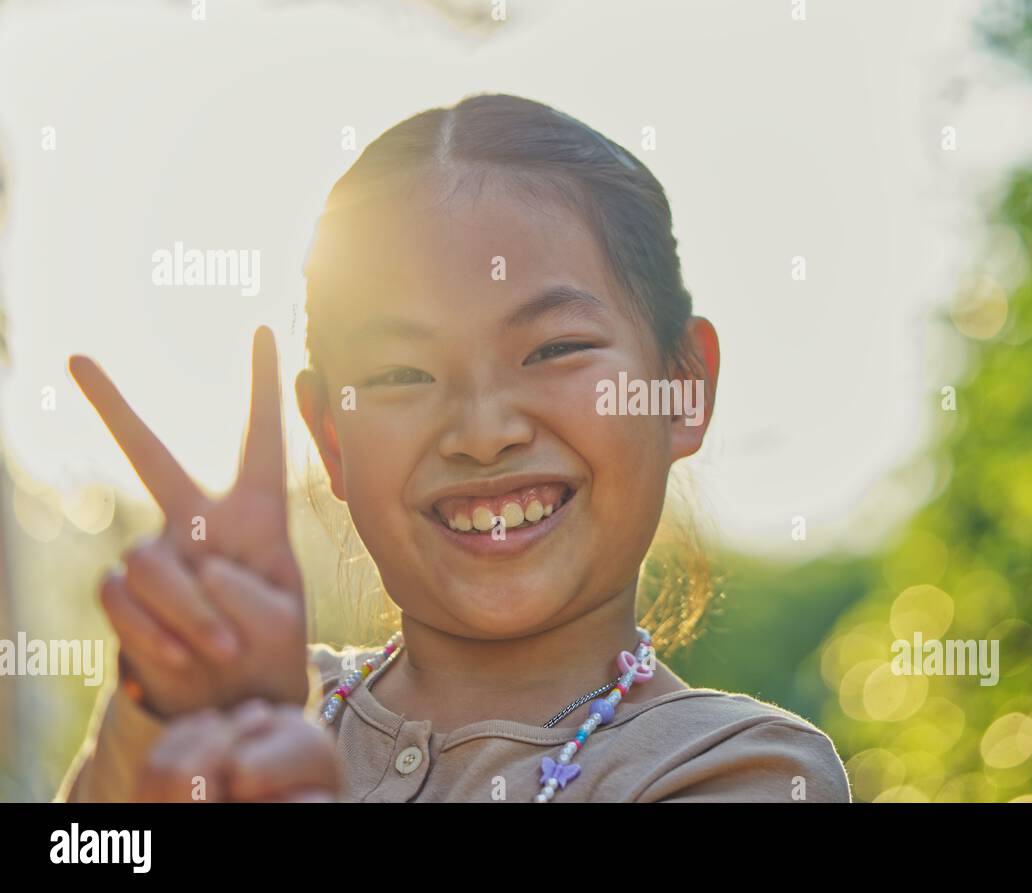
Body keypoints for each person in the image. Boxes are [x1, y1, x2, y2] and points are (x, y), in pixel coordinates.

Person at [55, 93, 851, 803]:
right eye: (402, 372)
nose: (481, 432)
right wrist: (159, 715)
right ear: (330, 434)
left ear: (681, 385)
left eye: (553, 349)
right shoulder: (245, 709)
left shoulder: (738, 766)